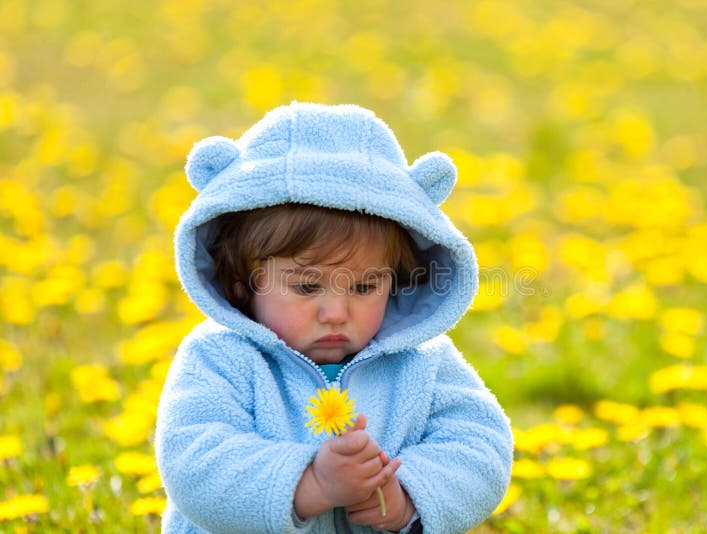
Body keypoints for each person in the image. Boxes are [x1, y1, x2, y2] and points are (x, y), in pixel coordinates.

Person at [155, 101, 513, 533]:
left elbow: (480, 446)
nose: (336, 313)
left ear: (395, 281)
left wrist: (409, 496)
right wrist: (308, 484)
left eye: (364, 288)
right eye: (307, 287)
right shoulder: (219, 356)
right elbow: (194, 461)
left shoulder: (423, 361)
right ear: (241, 282)